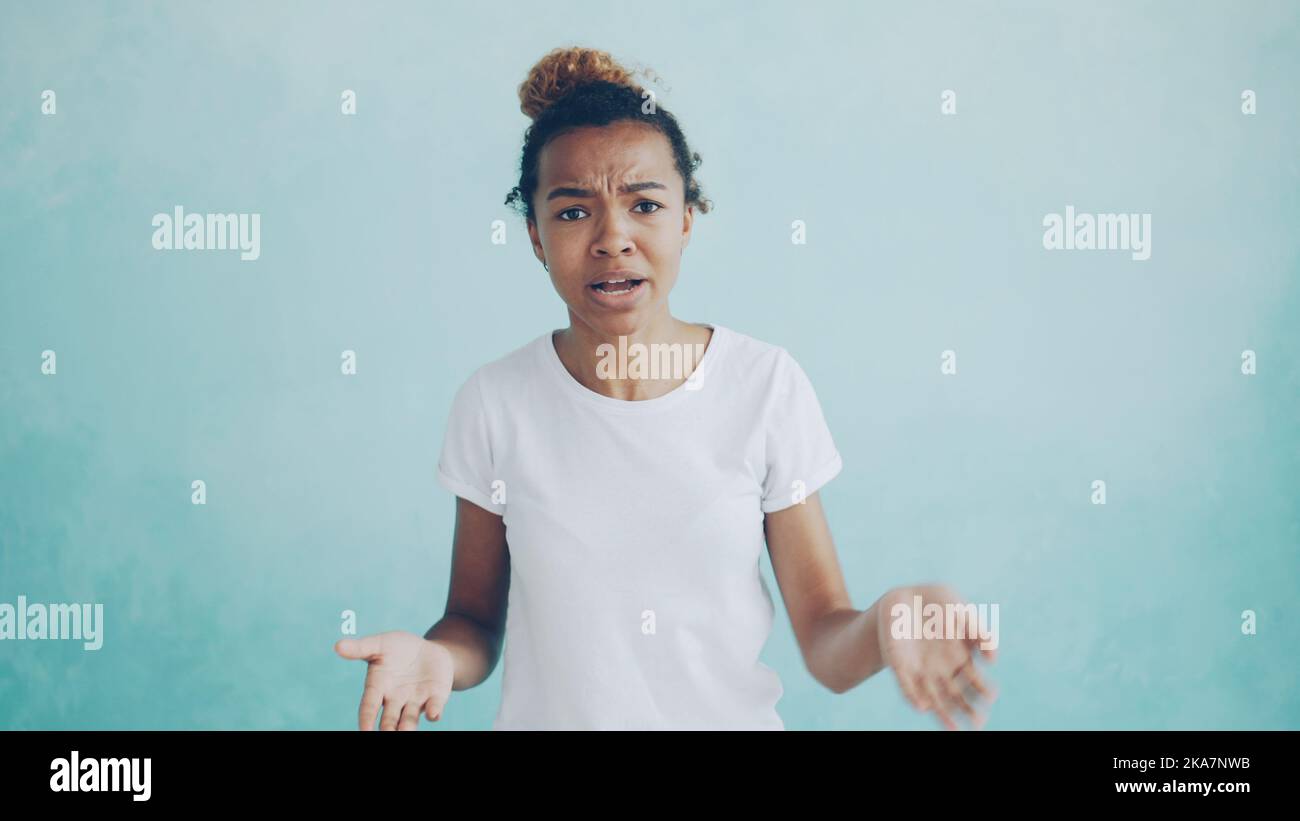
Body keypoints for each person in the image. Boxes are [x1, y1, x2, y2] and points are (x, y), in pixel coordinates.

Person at [336, 46, 997, 730]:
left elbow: (826, 641)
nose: (612, 237)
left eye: (645, 204)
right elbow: (472, 620)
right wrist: (438, 657)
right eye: (571, 213)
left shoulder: (764, 386)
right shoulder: (495, 402)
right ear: (534, 235)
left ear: (685, 220)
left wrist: (889, 618)